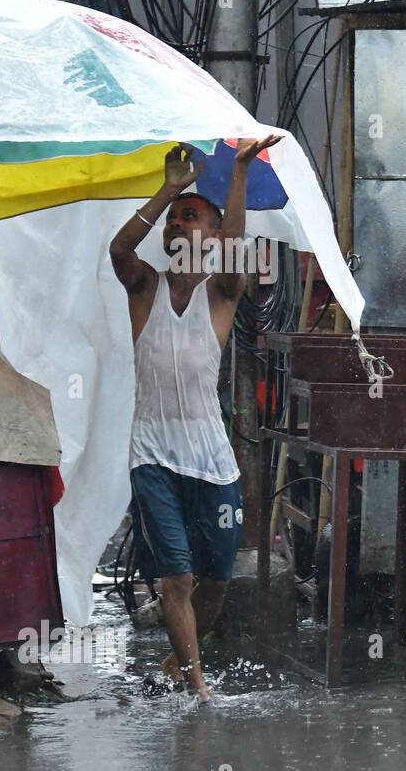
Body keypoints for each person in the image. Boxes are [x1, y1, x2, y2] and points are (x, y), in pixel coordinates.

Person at [109, 136, 281, 702]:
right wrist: (169, 189)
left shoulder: (222, 293)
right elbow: (118, 249)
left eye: (192, 217)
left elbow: (234, 251)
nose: (180, 225)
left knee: (214, 585)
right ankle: (200, 689)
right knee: (176, 579)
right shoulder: (146, 287)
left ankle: (178, 661)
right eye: (175, 220)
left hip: (213, 460)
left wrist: (236, 174)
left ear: (211, 237)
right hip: (153, 454)